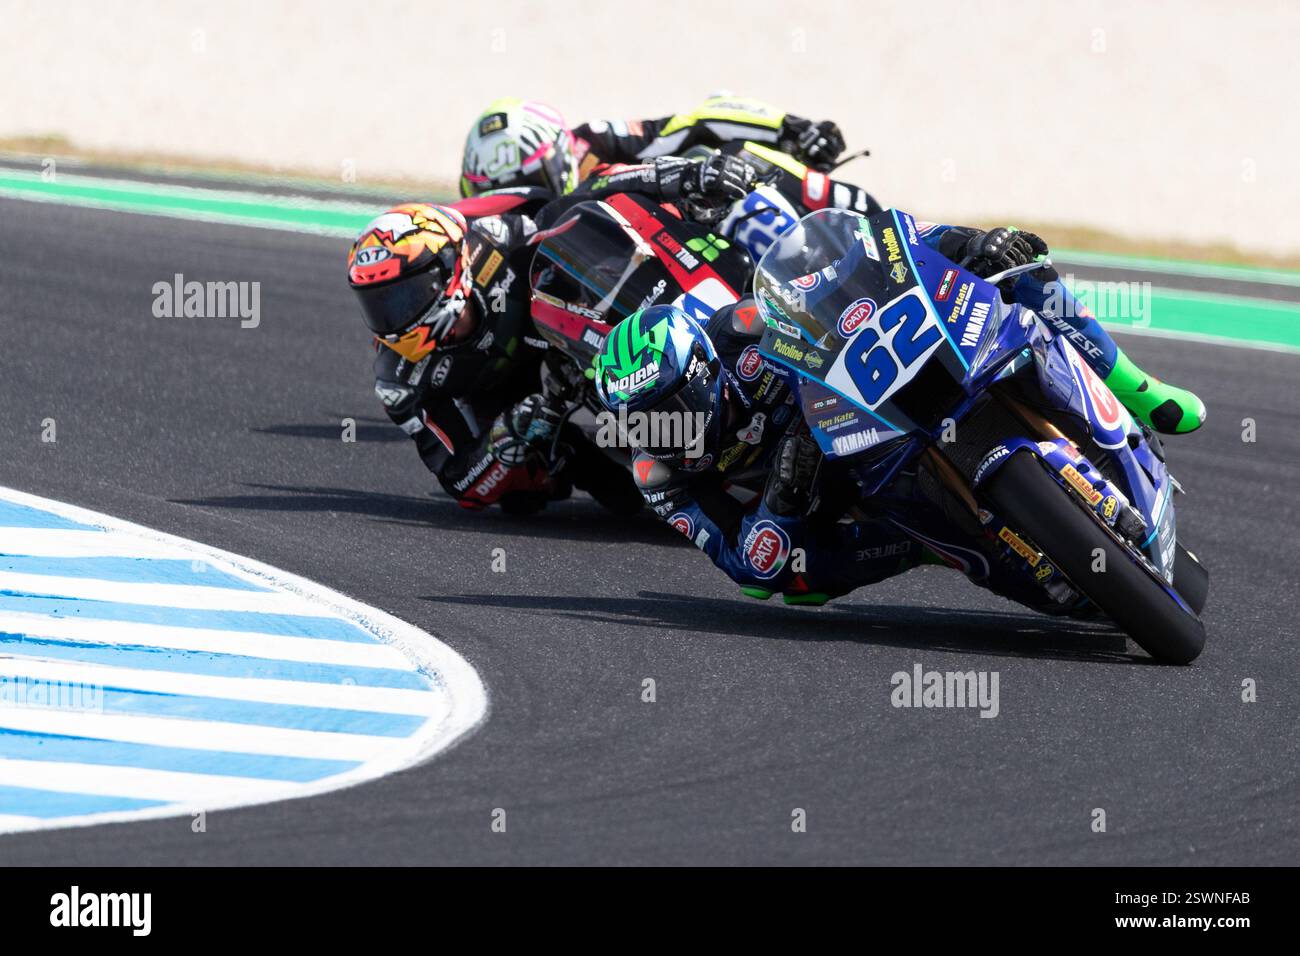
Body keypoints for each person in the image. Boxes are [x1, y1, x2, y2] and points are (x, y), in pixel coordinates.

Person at [592, 225, 1205, 602]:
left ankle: (1133, 386)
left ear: (701, 370)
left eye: (667, 409)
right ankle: (955, 545)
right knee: (789, 578)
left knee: (1018, 272)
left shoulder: (740, 330)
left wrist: (961, 245)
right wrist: (782, 494)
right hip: (839, 492)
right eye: (640, 425)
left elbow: (861, 263)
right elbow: (749, 565)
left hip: (864, 394)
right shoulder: (659, 480)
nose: (658, 433)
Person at [346, 149, 756, 514]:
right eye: (378, 304)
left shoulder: (494, 241)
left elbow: (589, 191)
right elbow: (460, 479)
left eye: (404, 296)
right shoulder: (399, 379)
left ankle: (727, 301)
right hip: (535, 405)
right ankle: (684, 484)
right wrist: (505, 436)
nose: (393, 317)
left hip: (583, 336)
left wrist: (679, 178)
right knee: (584, 491)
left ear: (450, 269)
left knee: (574, 223)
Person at [459, 94, 847, 200]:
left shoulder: (591, 141)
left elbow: (696, 122)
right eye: (497, 193)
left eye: (530, 182)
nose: (522, 199)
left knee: (733, 154)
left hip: (690, 242)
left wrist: (792, 129)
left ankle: (829, 202)